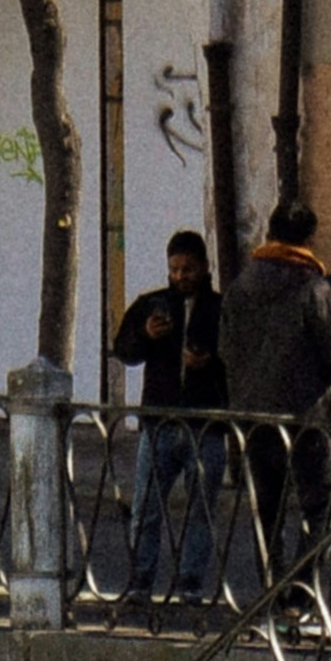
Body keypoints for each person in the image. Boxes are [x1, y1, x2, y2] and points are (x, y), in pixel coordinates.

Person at [218, 195, 331, 562]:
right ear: (308, 238)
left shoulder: (239, 287)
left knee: (267, 508)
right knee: (319, 503)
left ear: (269, 232)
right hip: (304, 414)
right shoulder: (314, 289)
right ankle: (301, 589)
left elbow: (225, 349)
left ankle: (271, 592)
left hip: (251, 413)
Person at [108, 223, 229, 604]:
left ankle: (190, 582)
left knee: (201, 509)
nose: (180, 277)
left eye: (187, 269)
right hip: (158, 421)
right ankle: (141, 580)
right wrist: (146, 334)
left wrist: (207, 364)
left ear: (204, 268)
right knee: (145, 506)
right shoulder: (152, 304)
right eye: (174, 269)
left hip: (205, 423)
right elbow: (125, 351)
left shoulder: (220, 309)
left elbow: (235, 361)